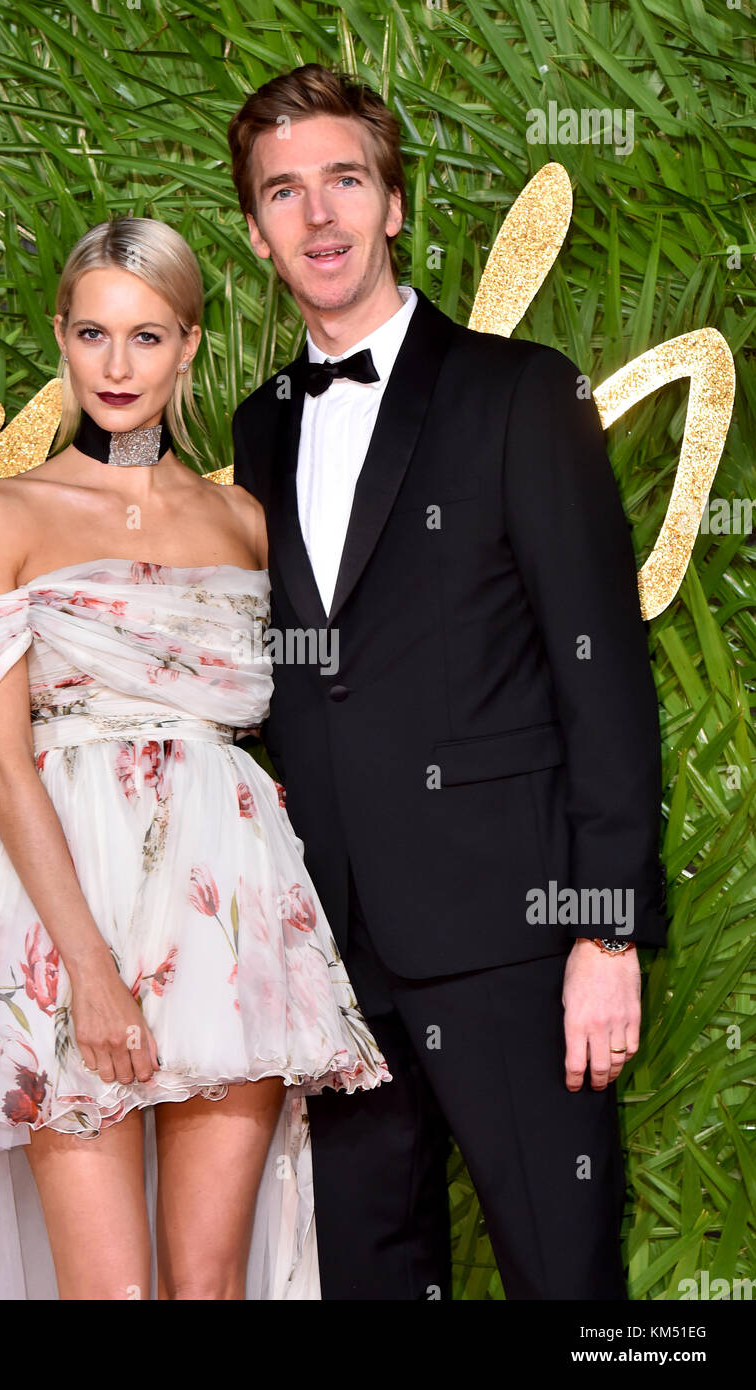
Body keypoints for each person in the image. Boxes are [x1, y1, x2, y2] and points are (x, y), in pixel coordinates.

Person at [0, 214, 390, 1302]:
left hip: (226, 906)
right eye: (92, 334)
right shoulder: (5, 511)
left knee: (210, 1284)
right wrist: (86, 969)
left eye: (147, 337)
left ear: (189, 343)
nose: (117, 366)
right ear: (62, 339)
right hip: (58, 910)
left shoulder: (245, 522)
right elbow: (0, 756)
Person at [229, 64, 669, 1299]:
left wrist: (607, 931)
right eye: (285, 193)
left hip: (512, 943)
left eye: (345, 181)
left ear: (394, 204)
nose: (319, 217)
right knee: (371, 1279)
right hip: (329, 952)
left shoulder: (520, 393)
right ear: (259, 236)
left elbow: (604, 674)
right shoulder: (260, 426)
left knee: (565, 1282)